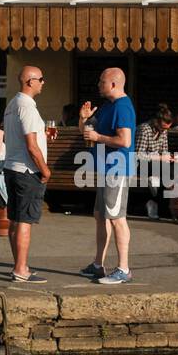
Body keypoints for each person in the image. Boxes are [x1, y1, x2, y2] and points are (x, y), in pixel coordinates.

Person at [78, 67, 136, 284]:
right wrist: (83, 119)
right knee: (101, 216)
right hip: (105, 169)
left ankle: (123, 269)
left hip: (117, 170)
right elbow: (86, 132)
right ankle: (97, 265)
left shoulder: (123, 107)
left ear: (113, 84)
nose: (98, 85)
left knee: (117, 218)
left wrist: (98, 136)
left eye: (102, 81)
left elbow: (125, 141)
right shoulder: (107, 106)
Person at [2, 65, 50, 283]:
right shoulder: (28, 107)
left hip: (12, 168)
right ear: (30, 81)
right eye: (41, 78)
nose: (43, 82)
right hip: (27, 170)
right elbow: (32, 146)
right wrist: (45, 170)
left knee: (15, 219)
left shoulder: (12, 104)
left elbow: (10, 136)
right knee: (24, 221)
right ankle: (21, 269)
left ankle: (19, 265)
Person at [135, 103, 175, 219]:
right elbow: (138, 155)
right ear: (156, 121)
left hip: (157, 164)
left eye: (167, 128)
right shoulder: (144, 129)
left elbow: (164, 150)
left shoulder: (163, 131)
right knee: (166, 175)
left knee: (171, 173)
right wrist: (161, 158)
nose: (164, 131)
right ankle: (163, 208)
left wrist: (170, 157)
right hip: (140, 164)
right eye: (163, 128)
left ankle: (154, 202)